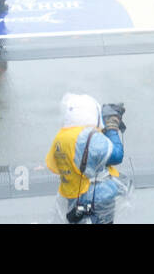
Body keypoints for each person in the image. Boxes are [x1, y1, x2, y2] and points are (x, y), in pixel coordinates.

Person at [45, 93, 128, 225]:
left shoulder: (61, 137)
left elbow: (53, 166)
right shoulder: (89, 137)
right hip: (97, 198)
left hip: (73, 196)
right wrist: (112, 126)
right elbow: (116, 155)